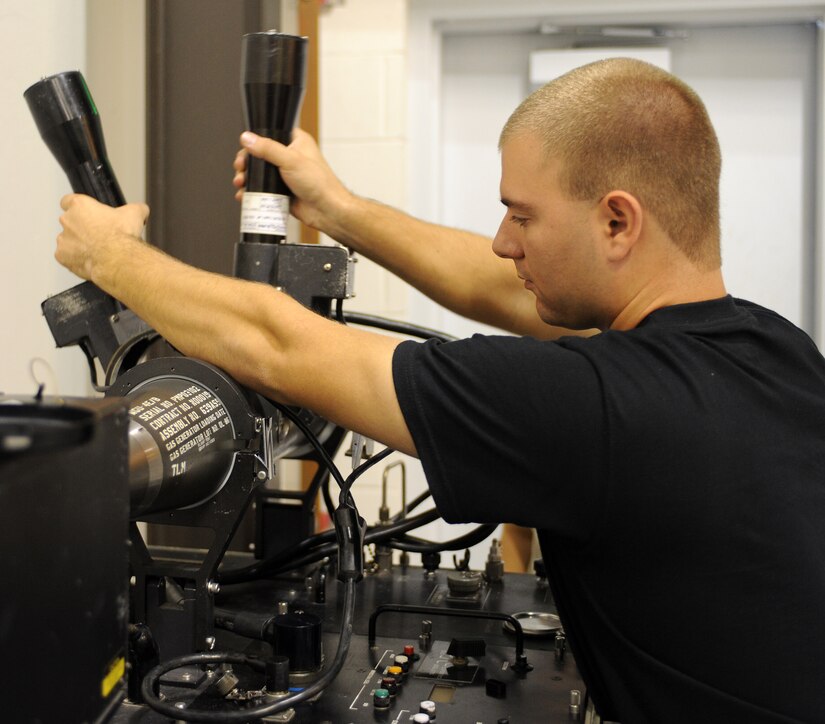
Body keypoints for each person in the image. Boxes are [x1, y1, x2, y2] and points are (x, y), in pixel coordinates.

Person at [55, 58, 825, 723]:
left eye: (521, 215)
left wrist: (112, 256)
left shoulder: (598, 409)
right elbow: (505, 288)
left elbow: (278, 345)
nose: (503, 242)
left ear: (617, 222)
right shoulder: (774, 350)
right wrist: (336, 209)